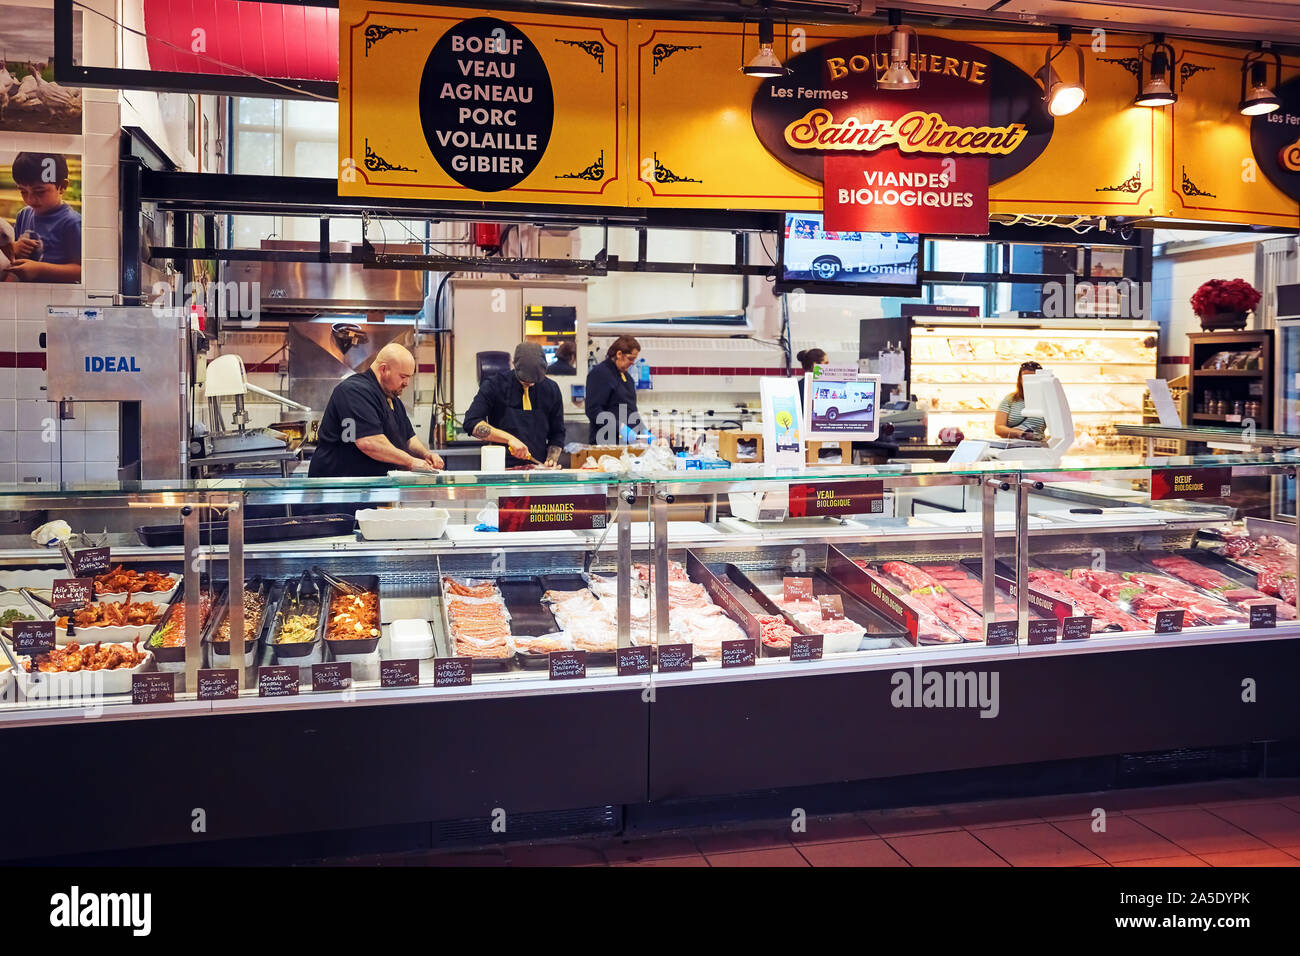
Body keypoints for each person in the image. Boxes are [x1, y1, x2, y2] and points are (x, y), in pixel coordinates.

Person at [308, 343, 444, 478]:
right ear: (383, 369)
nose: (406, 383)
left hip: (368, 488)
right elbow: (369, 442)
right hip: (339, 487)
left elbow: (409, 438)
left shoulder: (392, 398)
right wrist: (411, 462)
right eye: (403, 377)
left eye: (409, 377)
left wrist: (426, 454)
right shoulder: (354, 391)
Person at [464, 342, 565, 468]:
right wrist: (509, 439)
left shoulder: (551, 389)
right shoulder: (494, 385)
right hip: (501, 468)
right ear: (513, 364)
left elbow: (557, 432)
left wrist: (551, 459)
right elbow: (471, 423)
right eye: (525, 381)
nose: (530, 384)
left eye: (534, 381)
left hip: (537, 469)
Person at [7, 151, 81, 283]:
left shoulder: (72, 222)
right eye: (23, 191)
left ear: (62, 187)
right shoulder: (23, 215)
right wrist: (15, 247)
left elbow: (81, 271)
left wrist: (39, 269)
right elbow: (13, 255)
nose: (30, 199)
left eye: (39, 191)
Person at [585, 334, 646, 445]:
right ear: (619, 354)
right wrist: (620, 427)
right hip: (605, 443)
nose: (633, 363)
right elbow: (593, 410)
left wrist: (643, 431)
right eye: (630, 359)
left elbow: (631, 411)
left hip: (625, 445)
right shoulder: (600, 373)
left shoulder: (627, 378)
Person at [995, 360, 1048, 441]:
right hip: (1011, 445)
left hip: (1037, 447)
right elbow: (998, 428)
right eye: (1025, 378)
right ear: (1020, 379)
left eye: (1032, 378)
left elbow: (1057, 428)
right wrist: (1019, 433)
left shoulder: (1047, 400)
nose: (1029, 382)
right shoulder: (1010, 399)